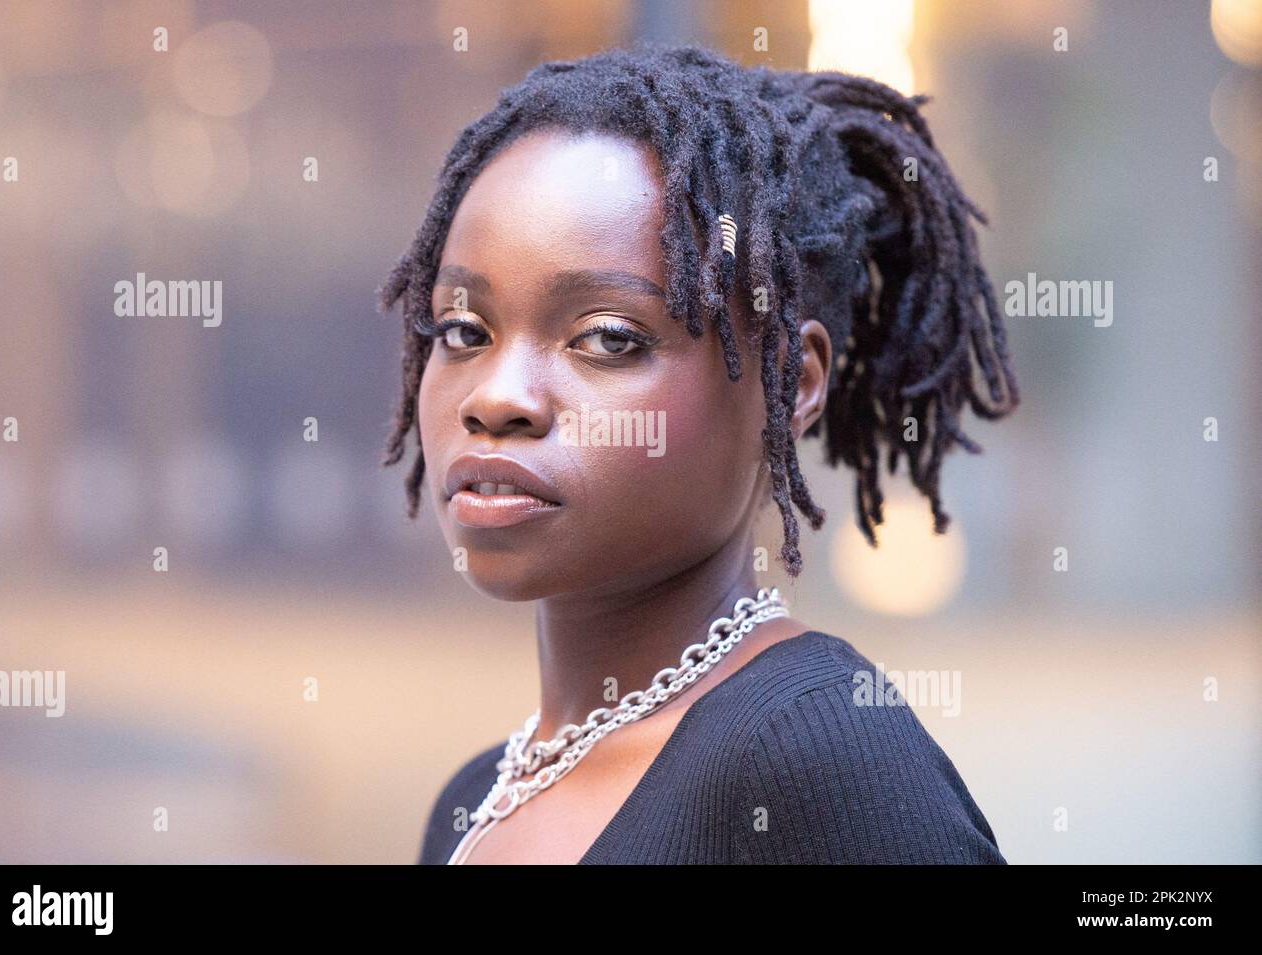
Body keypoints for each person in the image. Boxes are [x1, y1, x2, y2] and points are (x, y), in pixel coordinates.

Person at [377, 44, 1018, 864]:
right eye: (463, 330)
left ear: (789, 384)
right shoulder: (473, 802)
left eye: (607, 337)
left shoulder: (816, 757)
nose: (497, 398)